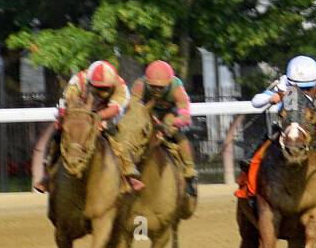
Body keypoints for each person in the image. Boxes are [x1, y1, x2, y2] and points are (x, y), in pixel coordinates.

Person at [237, 56, 316, 198]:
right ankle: (252, 162)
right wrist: (270, 98)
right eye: (297, 88)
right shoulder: (284, 84)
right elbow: (256, 102)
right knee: (272, 134)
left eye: (308, 88)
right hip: (289, 123)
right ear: (290, 83)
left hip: (315, 122)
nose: (302, 93)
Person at [34, 60, 144, 193]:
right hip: (81, 113)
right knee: (59, 133)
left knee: (119, 138)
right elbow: (67, 102)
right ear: (90, 82)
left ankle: (128, 174)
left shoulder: (121, 88)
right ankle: (48, 174)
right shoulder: (78, 80)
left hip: (109, 115)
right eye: (97, 87)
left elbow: (114, 110)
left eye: (104, 89)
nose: (100, 91)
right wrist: (63, 118)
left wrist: (98, 120)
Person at [134, 60, 198, 198]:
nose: (157, 90)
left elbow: (185, 115)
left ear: (169, 83)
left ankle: (189, 169)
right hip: (147, 114)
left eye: (161, 88)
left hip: (170, 115)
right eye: (153, 87)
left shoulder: (177, 88)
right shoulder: (140, 85)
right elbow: (132, 107)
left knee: (178, 135)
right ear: (147, 82)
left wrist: (174, 122)